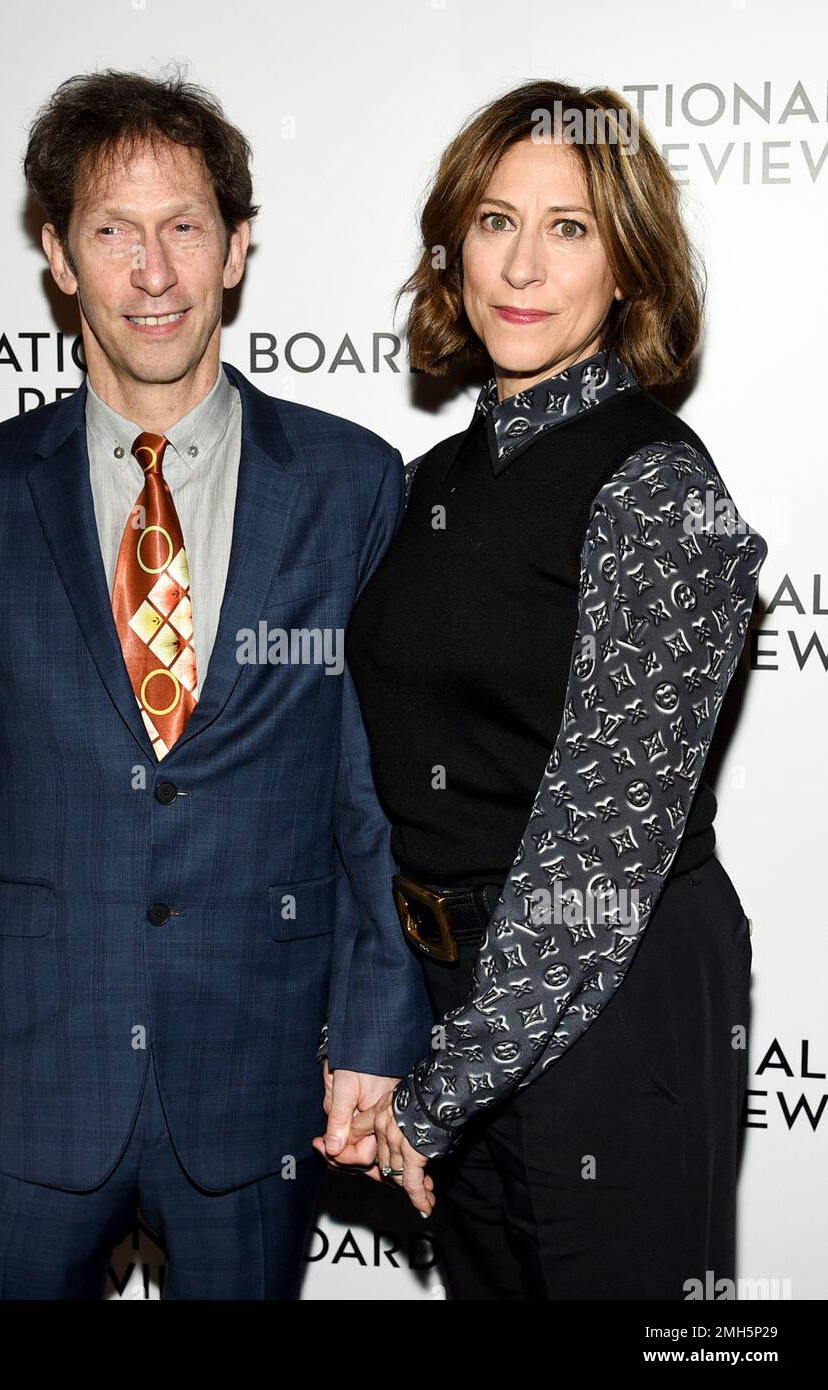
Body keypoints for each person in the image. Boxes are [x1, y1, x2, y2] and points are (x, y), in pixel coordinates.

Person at [0, 67, 431, 1301]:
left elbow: (375, 795)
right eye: (112, 231)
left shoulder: (348, 485)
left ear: (236, 248)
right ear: (58, 255)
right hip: (25, 1075)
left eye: (184, 227)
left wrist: (380, 1034)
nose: (154, 271)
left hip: (260, 1065)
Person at [337, 79, 768, 1298]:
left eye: (569, 227)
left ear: (627, 265)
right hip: (448, 1002)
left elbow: (599, 848)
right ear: (451, 246)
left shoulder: (657, 489)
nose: (522, 263)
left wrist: (437, 1094)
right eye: (492, 220)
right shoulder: (421, 483)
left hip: (612, 1001)